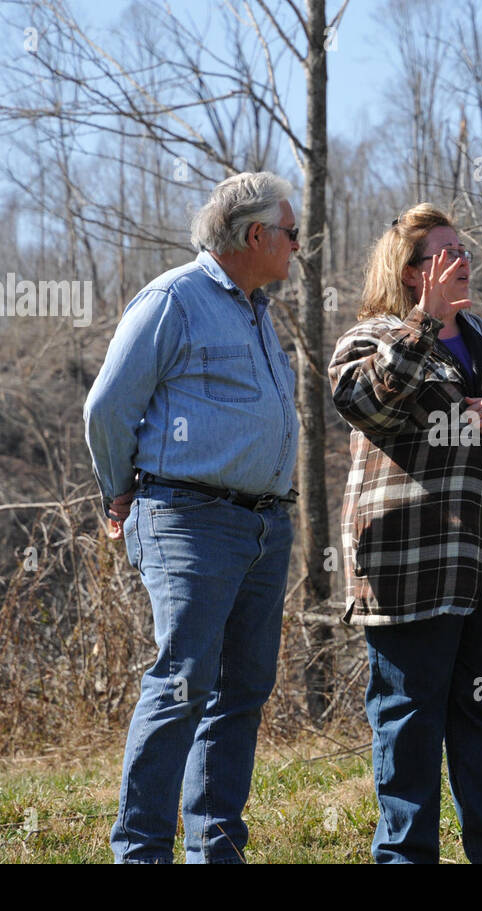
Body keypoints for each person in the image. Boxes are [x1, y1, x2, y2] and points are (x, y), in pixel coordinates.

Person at [329, 204, 482, 863]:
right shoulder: (372, 338)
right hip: (413, 564)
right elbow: (365, 401)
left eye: (462, 249)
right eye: (444, 254)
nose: (462, 260)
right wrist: (424, 325)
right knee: (408, 719)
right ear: (410, 273)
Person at [84, 171, 300, 863]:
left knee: (242, 690)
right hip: (186, 517)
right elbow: (108, 408)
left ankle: (216, 850)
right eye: (292, 233)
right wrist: (119, 490)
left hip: (266, 526)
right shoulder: (174, 298)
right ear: (257, 234)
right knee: (182, 682)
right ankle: (141, 853)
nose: (299, 246)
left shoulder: (257, 310)